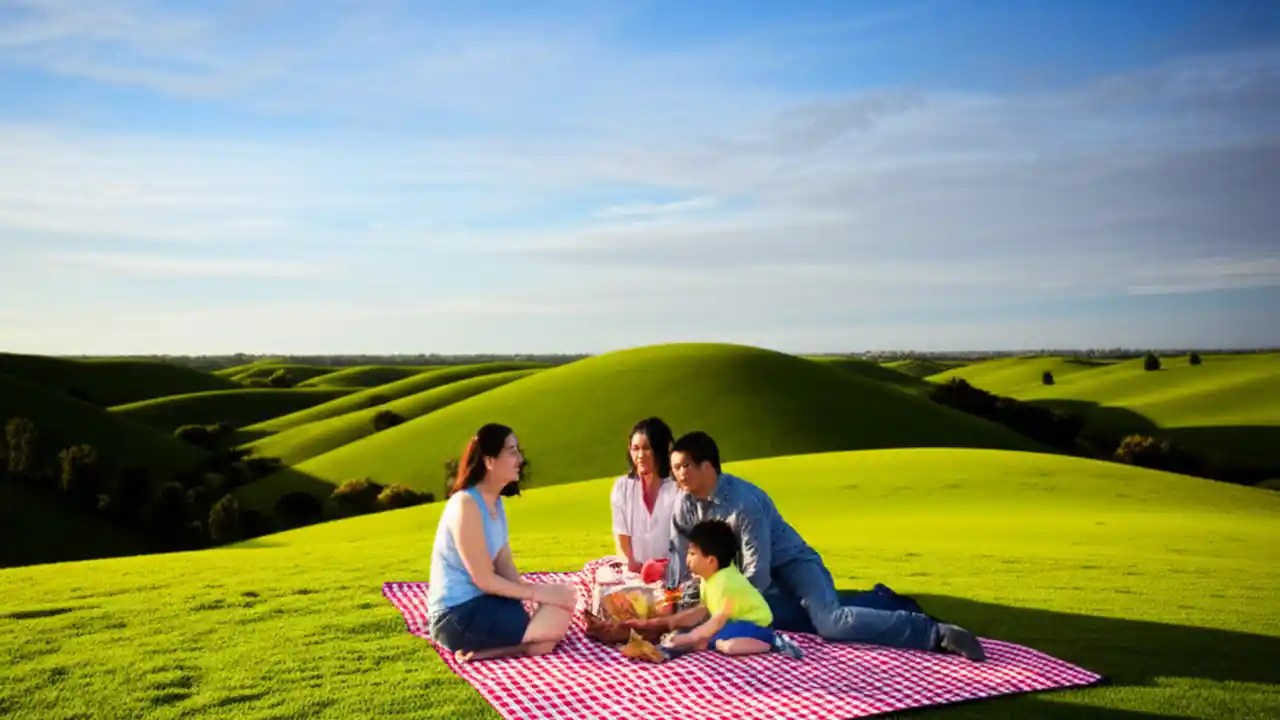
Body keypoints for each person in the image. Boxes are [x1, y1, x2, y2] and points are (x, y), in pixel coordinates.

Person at [660, 431, 986, 661]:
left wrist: (717, 614)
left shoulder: (744, 503)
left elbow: (757, 572)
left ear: (708, 466)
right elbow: (682, 561)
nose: (678, 476)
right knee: (795, 621)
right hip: (745, 579)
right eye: (674, 469)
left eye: (684, 466)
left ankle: (935, 632)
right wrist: (680, 606)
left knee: (830, 623)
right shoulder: (684, 506)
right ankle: (879, 600)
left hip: (792, 564)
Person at [427, 423, 578, 663]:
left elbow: (504, 565)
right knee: (554, 619)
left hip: (484, 603)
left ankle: (500, 650)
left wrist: (538, 598)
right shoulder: (466, 504)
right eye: (512, 451)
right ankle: (517, 644)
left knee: (556, 618)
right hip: (456, 616)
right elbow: (484, 579)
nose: (520, 459)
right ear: (489, 461)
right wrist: (539, 593)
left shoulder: (496, 504)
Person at [660, 519, 804, 659]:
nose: (687, 560)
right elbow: (703, 609)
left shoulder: (727, 585)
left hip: (754, 625)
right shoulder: (707, 577)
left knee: (726, 646)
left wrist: (688, 637)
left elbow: (717, 621)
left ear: (711, 561)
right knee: (702, 640)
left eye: (692, 554)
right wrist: (672, 621)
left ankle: (773, 642)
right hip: (732, 622)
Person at [610, 417, 681, 574]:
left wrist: (662, 569)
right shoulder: (622, 488)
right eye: (635, 449)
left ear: (660, 450)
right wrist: (631, 566)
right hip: (633, 573)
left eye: (646, 448)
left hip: (673, 573)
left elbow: (685, 543)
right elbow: (622, 541)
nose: (640, 455)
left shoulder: (678, 489)